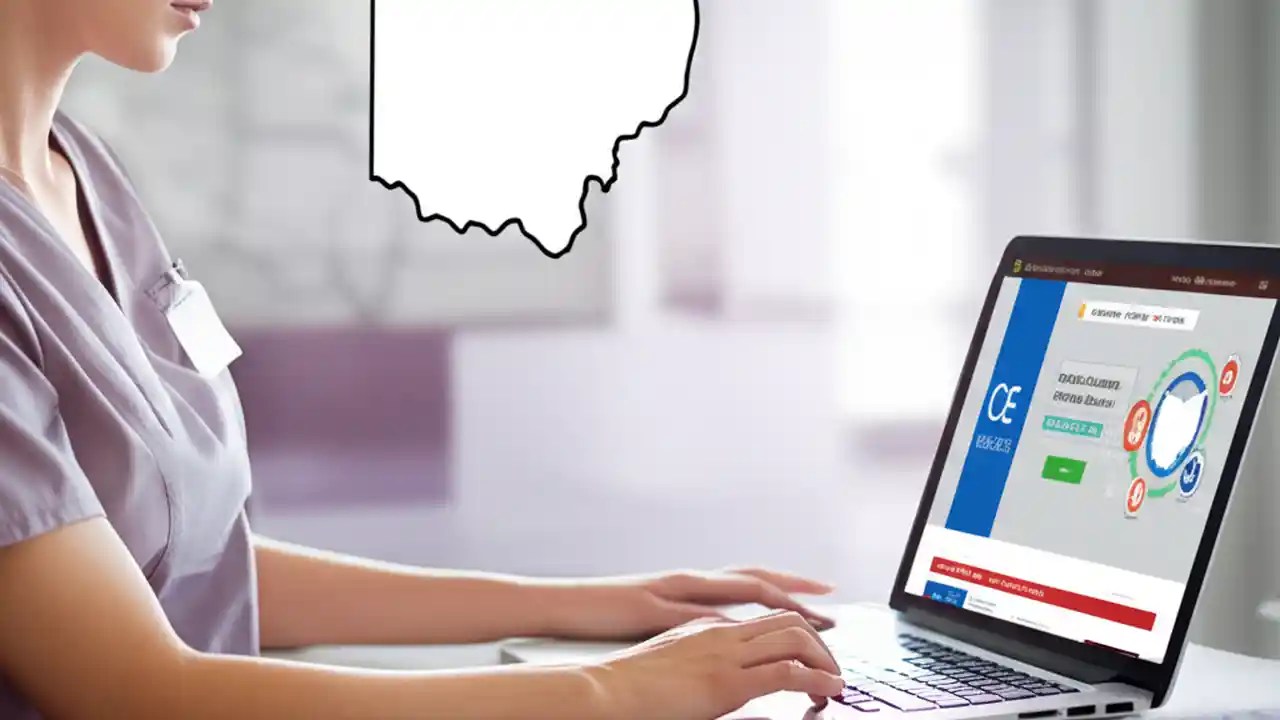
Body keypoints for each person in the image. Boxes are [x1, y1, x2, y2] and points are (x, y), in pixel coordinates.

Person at [0, 1, 846, 718]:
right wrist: (604, 691)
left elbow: (195, 567)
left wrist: (591, 604)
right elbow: (133, 687)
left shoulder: (85, 173)